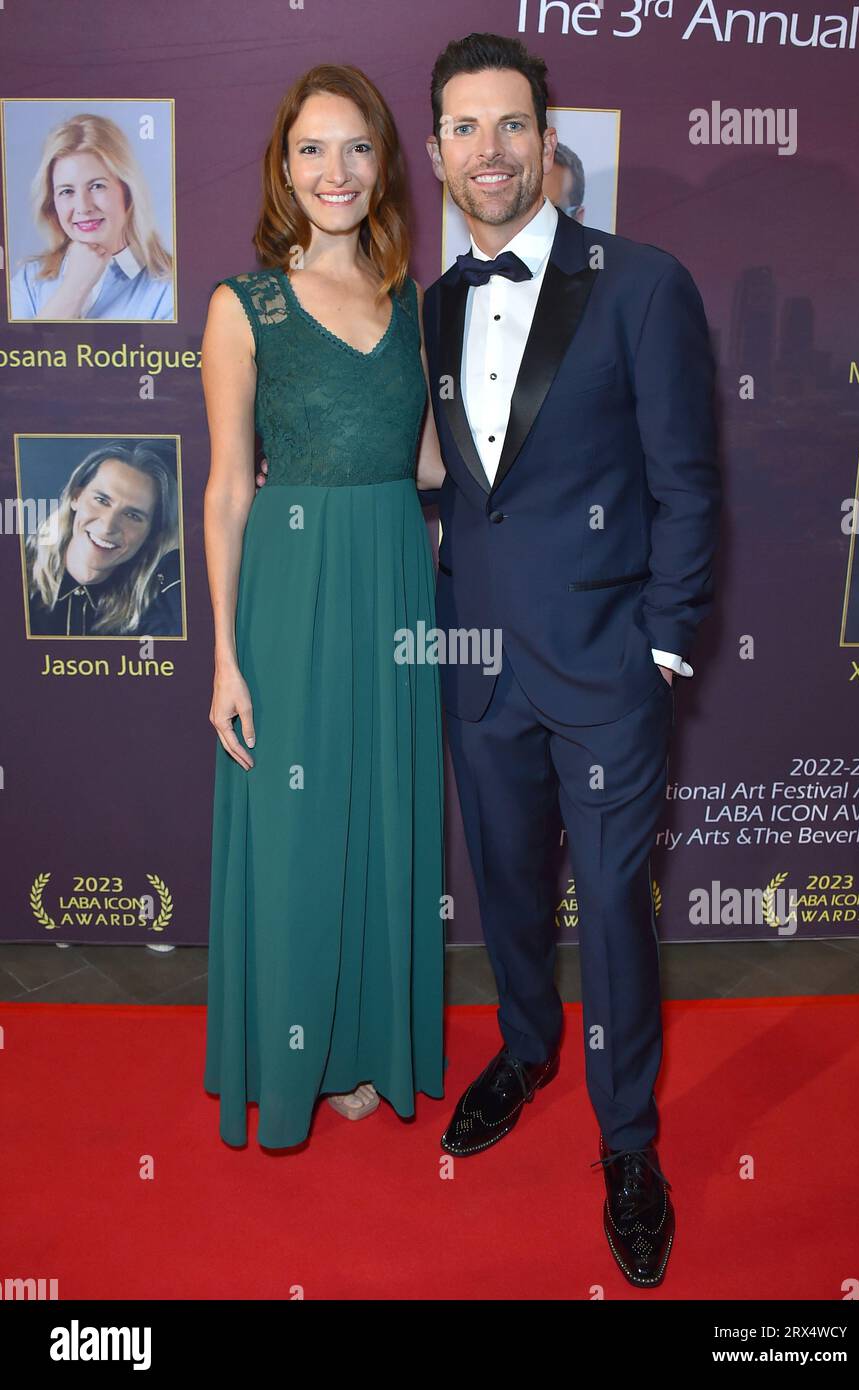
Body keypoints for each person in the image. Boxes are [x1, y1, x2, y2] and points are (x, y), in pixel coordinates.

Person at [420, 32, 720, 1287]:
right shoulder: (433, 305)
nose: (488, 151)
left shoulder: (642, 282)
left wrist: (659, 647)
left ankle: (631, 1147)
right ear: (437, 151)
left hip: (607, 670)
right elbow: (461, 481)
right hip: (478, 661)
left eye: (510, 127)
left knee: (610, 912)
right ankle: (527, 1046)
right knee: (502, 887)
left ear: (550, 143)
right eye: (463, 129)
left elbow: (688, 485)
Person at [202, 65, 447, 1148]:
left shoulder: (412, 306)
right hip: (292, 596)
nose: (335, 170)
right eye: (312, 148)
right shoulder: (242, 304)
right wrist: (224, 659)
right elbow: (221, 490)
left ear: (384, 165)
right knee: (298, 828)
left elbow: (433, 464)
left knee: (382, 815)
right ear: (283, 166)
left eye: (356, 148)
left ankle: (363, 1051)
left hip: (394, 581)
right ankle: (286, 1058)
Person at [9, 113, 173, 321]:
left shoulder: (169, 288)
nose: (83, 207)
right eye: (67, 191)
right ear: (53, 202)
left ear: (127, 191)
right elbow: (18, 353)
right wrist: (74, 287)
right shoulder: (27, 281)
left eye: (97, 186)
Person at [25, 440, 182, 637]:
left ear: (154, 534)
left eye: (133, 515)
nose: (108, 527)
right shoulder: (14, 572)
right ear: (75, 496)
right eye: (101, 500)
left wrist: (173, 555)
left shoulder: (156, 602)